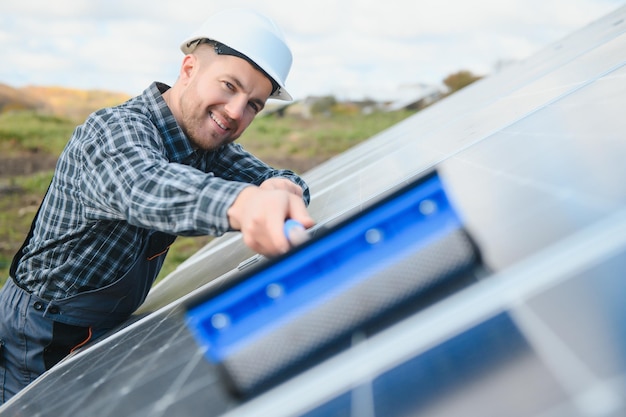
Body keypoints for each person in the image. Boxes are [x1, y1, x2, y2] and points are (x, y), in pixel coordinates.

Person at [0, 8, 314, 404]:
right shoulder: (113, 130)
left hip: (101, 327)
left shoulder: (205, 144)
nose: (236, 112)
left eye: (254, 104)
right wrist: (243, 203)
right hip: (39, 334)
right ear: (189, 68)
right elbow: (142, 186)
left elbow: (276, 180)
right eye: (229, 86)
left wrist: (284, 187)